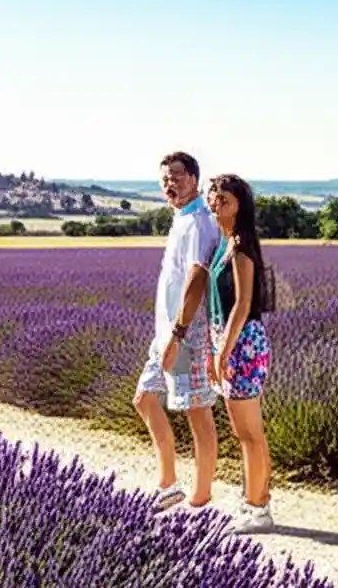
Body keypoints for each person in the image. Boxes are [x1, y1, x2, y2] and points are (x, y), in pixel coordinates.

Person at [132, 151, 221, 513]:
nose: (171, 183)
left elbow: (197, 276)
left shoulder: (200, 220)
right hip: (166, 333)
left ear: (195, 180)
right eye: (165, 178)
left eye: (178, 176)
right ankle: (169, 485)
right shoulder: (181, 218)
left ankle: (200, 498)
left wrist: (180, 334)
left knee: (197, 411)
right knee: (145, 398)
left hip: (187, 333)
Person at [204, 173, 274, 534]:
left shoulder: (242, 244)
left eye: (224, 198)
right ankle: (257, 498)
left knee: (249, 432)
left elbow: (243, 304)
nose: (216, 202)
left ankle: (258, 508)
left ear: (239, 205)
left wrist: (224, 352)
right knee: (245, 431)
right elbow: (217, 303)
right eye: (212, 196)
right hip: (229, 341)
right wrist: (211, 348)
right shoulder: (224, 242)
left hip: (243, 343)